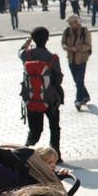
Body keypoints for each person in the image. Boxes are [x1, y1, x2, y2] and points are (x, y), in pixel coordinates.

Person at [18, 28, 64, 160]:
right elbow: (59, 79)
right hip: (51, 99)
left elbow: (19, 51)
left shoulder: (27, 55)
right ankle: (56, 155)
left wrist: (28, 42)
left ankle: (25, 154)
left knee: (35, 131)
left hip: (32, 98)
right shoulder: (52, 58)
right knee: (54, 127)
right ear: (47, 39)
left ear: (34, 38)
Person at [61, 15, 92, 109]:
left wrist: (77, 49)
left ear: (76, 22)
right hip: (71, 59)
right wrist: (65, 47)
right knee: (77, 80)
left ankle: (78, 100)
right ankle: (85, 96)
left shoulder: (84, 31)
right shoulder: (66, 31)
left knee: (79, 80)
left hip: (81, 59)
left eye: (72, 23)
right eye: (69, 24)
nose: (70, 25)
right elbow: (63, 42)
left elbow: (88, 45)